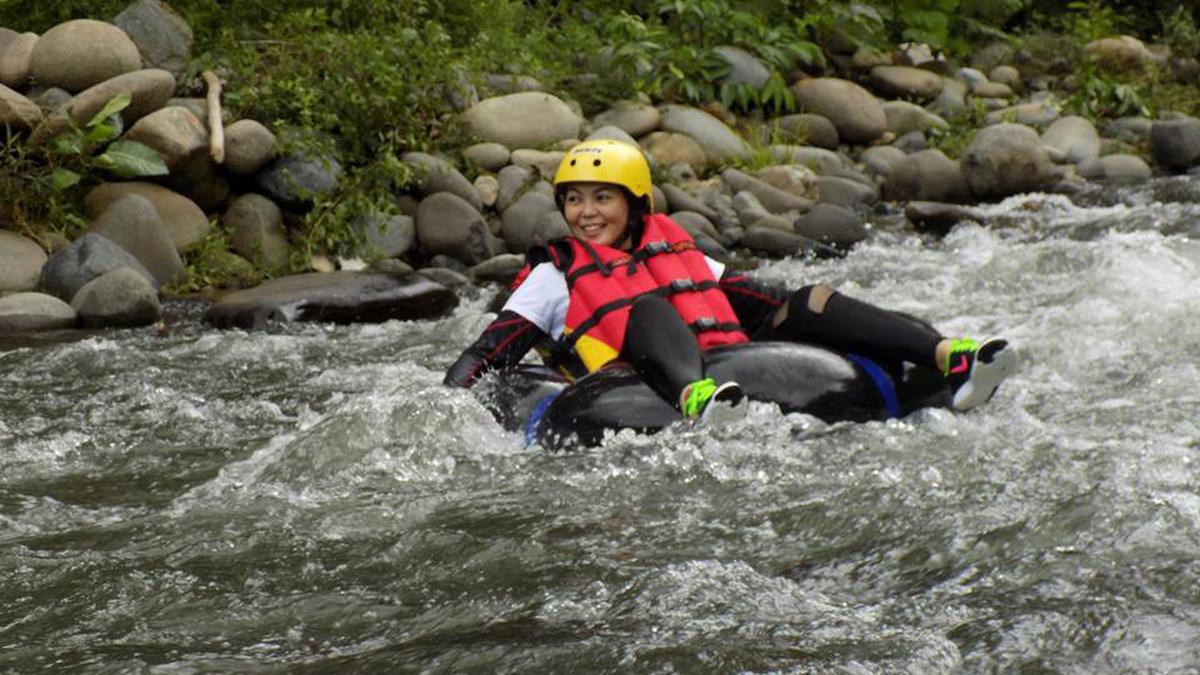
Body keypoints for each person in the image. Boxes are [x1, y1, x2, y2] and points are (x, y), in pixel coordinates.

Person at [444, 139, 1015, 419]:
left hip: (731, 370)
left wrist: (807, 316)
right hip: (639, 382)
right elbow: (490, 351)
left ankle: (951, 357)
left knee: (808, 298)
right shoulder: (554, 274)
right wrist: (446, 407)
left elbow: (752, 300)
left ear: (636, 204)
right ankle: (696, 399)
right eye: (573, 200)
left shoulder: (672, 249)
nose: (586, 213)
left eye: (601, 199)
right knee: (649, 309)